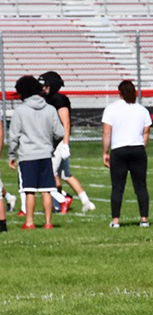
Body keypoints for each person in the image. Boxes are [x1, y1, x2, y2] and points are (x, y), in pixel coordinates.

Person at [7, 75, 63, 230]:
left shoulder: (20, 110)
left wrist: (11, 155)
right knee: (47, 190)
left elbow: (14, 136)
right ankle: (48, 222)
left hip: (27, 155)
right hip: (46, 154)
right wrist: (50, 144)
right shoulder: (50, 109)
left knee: (29, 190)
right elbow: (60, 132)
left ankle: (30, 222)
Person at [40, 72, 95, 214]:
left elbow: (66, 123)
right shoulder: (46, 99)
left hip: (58, 142)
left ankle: (62, 199)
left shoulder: (59, 99)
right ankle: (86, 201)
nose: (43, 87)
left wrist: (65, 143)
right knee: (65, 175)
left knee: (48, 174)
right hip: (52, 140)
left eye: (45, 84)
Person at [101, 80, 152, 229]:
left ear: (120, 93)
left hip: (119, 150)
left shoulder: (111, 109)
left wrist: (105, 151)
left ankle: (116, 220)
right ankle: (144, 219)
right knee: (141, 186)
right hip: (137, 149)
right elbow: (146, 132)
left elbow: (106, 132)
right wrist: (142, 147)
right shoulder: (142, 110)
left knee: (117, 187)